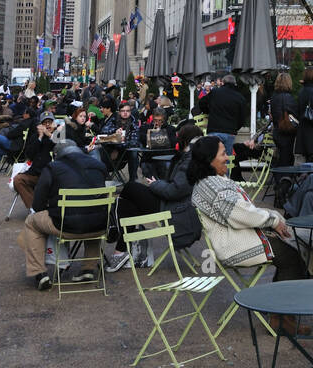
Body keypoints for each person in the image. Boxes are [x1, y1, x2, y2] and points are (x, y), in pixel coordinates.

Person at [189, 135, 312, 333]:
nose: (228, 157)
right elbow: (240, 213)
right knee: (293, 255)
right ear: (209, 160)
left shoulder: (209, 181)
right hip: (232, 244)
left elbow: (243, 211)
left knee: (294, 247)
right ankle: (282, 320)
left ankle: (279, 309)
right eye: (223, 154)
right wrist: (273, 220)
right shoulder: (213, 185)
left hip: (238, 236)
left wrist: (273, 219)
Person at [105, 120, 202, 271]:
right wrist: (158, 183)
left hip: (173, 208)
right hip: (172, 203)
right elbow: (175, 187)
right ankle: (119, 251)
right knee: (128, 206)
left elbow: (174, 191)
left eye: (178, 137)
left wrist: (155, 184)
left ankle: (113, 229)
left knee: (130, 188)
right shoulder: (189, 158)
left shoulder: (189, 161)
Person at [17, 142, 109, 290]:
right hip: (100, 226)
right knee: (93, 212)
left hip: (66, 226)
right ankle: (88, 268)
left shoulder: (53, 168)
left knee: (31, 222)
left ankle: (39, 273)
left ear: (56, 155)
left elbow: (37, 205)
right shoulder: (98, 165)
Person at [12, 112, 60, 211]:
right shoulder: (35, 136)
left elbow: (62, 147)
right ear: (40, 125)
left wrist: (49, 135)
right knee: (18, 180)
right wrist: (40, 138)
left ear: (54, 124)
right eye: (44, 123)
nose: (47, 125)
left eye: (50, 122)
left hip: (54, 175)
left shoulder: (59, 134)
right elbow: (29, 155)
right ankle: (35, 208)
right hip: (37, 174)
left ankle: (46, 206)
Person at [197, 71, 247, 153]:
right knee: (226, 158)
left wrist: (208, 111)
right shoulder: (240, 97)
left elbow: (201, 102)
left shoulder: (215, 92)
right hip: (230, 131)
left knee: (212, 157)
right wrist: (234, 127)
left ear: (222, 83)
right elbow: (242, 118)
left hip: (214, 129)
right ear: (235, 84)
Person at [268, 71, 299, 169]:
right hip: (287, 132)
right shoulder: (288, 98)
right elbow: (295, 114)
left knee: (281, 158)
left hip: (277, 130)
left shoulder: (274, 97)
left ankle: (280, 180)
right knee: (287, 160)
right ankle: (284, 182)